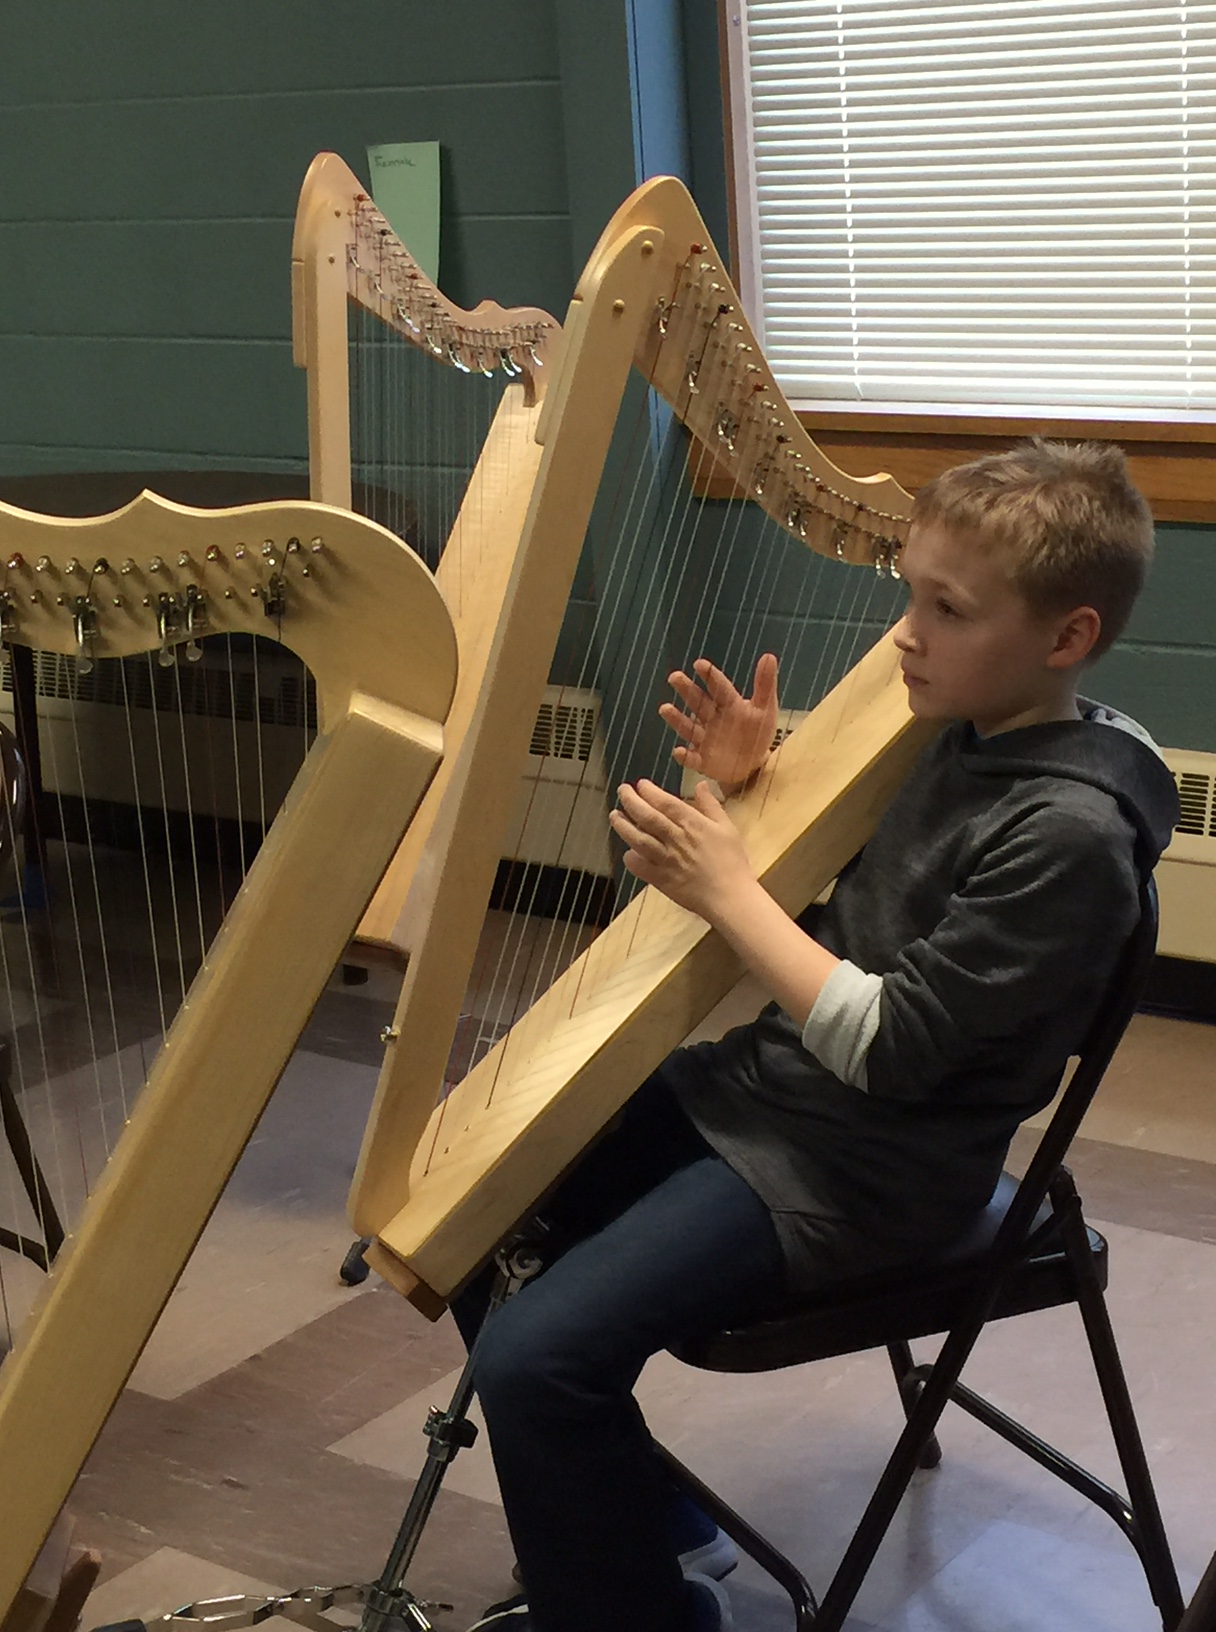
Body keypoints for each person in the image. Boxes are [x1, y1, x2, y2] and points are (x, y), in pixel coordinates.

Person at [453, 441, 1180, 1632]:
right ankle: (647, 1536)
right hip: (774, 1098)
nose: (904, 633)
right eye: (909, 594)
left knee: (535, 1362)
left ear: (1066, 640)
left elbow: (891, 1045)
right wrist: (759, 782)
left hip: (863, 1171)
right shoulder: (958, 727)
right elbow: (857, 914)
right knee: (479, 1190)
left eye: (945, 610)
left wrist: (726, 888)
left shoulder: (1067, 835)